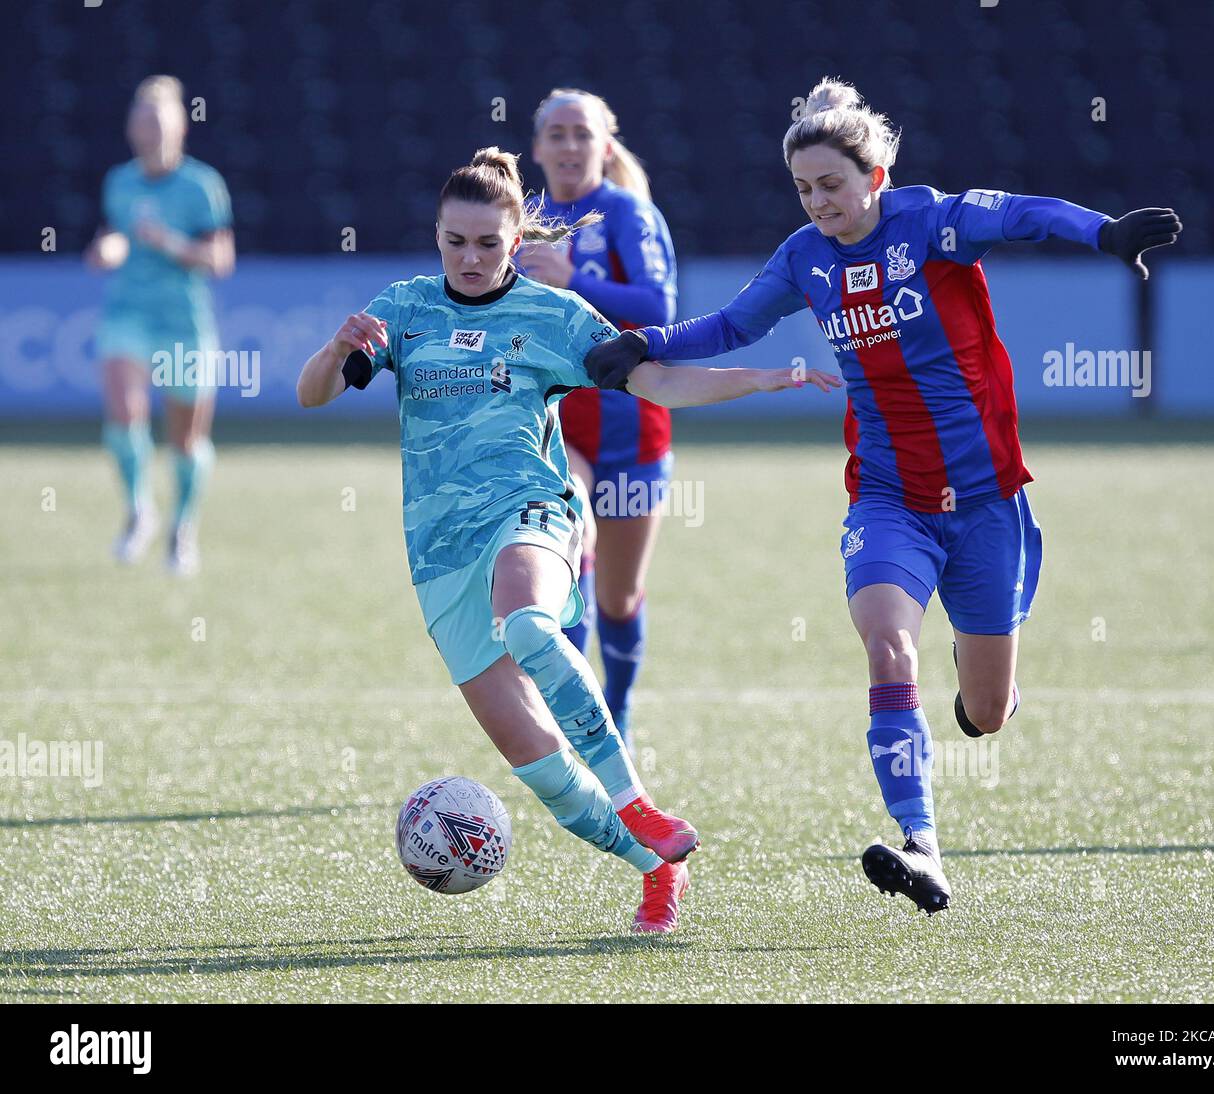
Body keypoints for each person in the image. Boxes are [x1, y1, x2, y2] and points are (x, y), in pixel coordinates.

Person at [584, 78, 1181, 915]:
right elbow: (731, 324)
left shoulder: (932, 221)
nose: (818, 202)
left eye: (832, 183)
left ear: (878, 173)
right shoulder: (805, 257)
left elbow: (1024, 216)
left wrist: (1104, 233)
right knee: (887, 646)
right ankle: (922, 846)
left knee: (988, 712)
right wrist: (645, 341)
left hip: (984, 505)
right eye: (803, 188)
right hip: (889, 503)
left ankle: (985, 694)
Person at [295, 147, 839, 933]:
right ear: (437, 236)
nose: (472, 258)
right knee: (546, 776)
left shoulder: (553, 314)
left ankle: (640, 805)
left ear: (518, 241)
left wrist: (762, 378)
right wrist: (334, 347)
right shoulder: (407, 309)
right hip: (441, 557)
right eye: (456, 242)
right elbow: (313, 396)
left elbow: (656, 382)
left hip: (534, 511)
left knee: (529, 622)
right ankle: (653, 867)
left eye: (489, 243)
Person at [514, 88, 677, 755]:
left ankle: (619, 705)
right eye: (557, 133)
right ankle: (578, 720)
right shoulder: (521, 219)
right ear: (537, 147)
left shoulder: (627, 212)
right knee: (570, 542)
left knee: (618, 596)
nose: (570, 145)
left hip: (632, 424)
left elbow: (657, 302)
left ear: (606, 145)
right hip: (558, 421)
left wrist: (574, 277)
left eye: (582, 133)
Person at [85, 75, 235, 575]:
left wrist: (169, 243)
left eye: (158, 121)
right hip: (128, 313)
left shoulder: (201, 186)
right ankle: (138, 510)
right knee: (124, 411)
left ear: (179, 127)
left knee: (185, 440)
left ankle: (181, 528)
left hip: (183, 322)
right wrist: (108, 249)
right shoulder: (118, 182)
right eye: (141, 120)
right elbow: (113, 237)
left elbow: (220, 260)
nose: (148, 131)